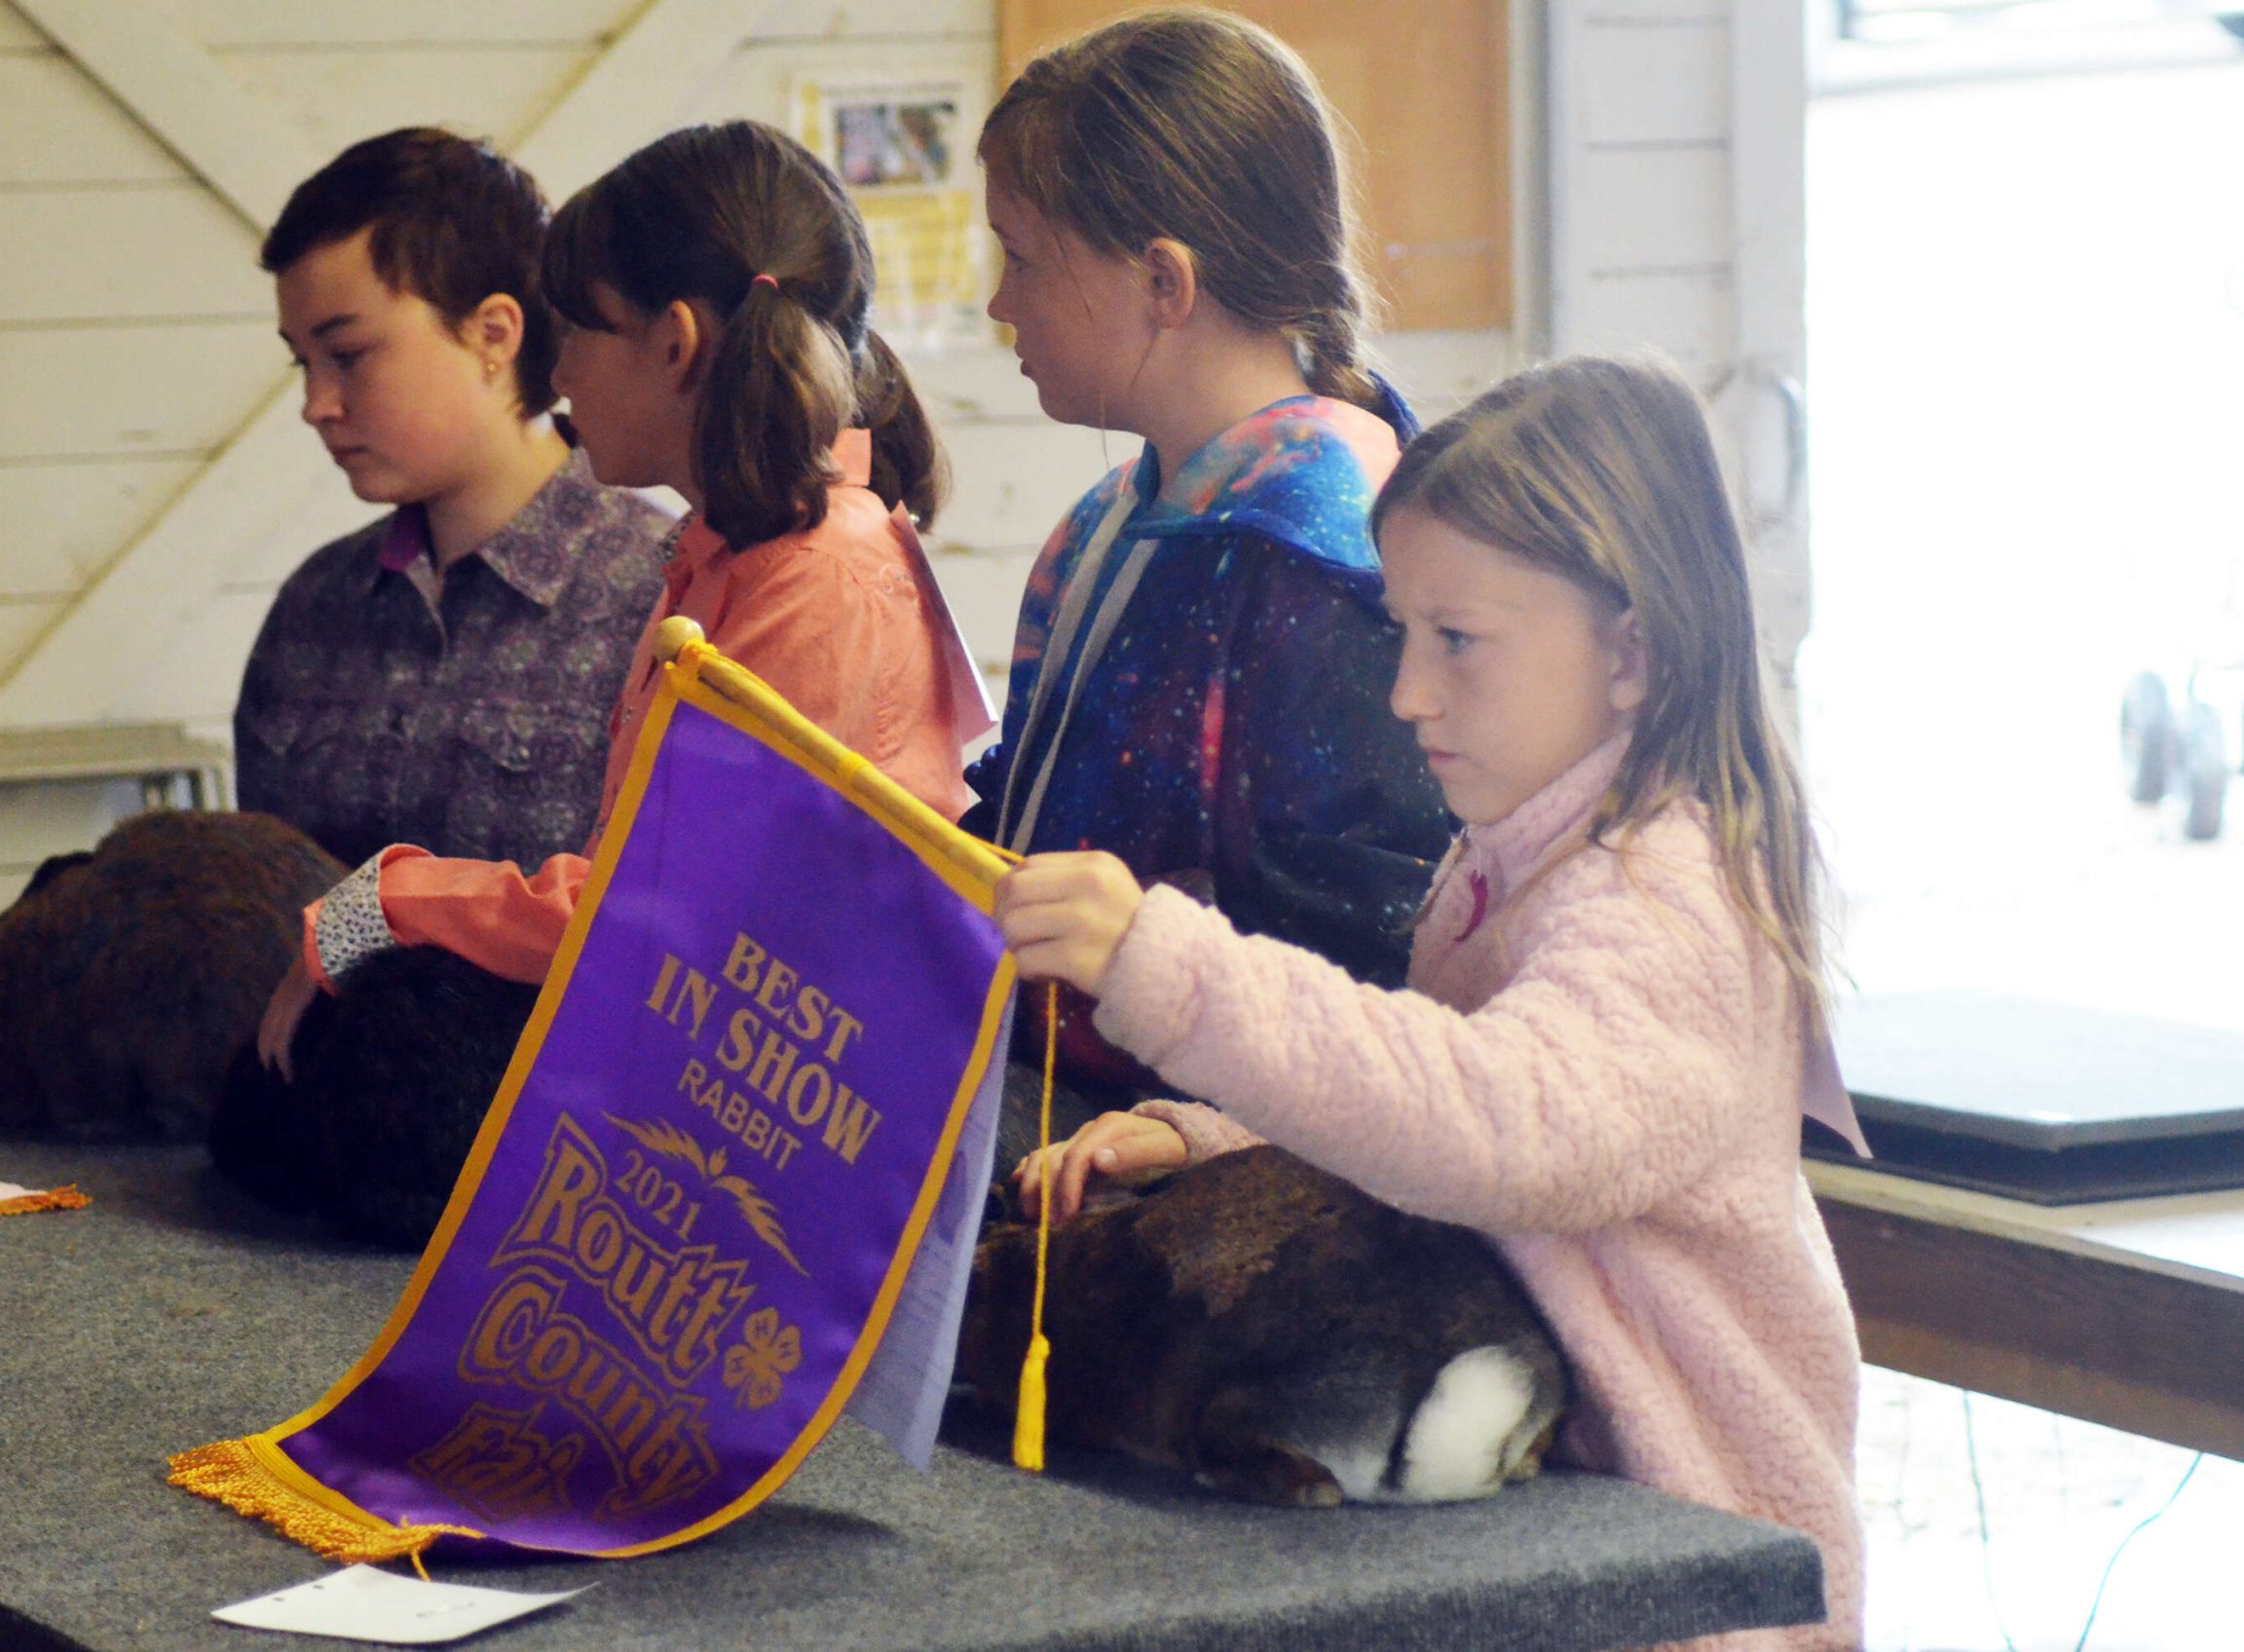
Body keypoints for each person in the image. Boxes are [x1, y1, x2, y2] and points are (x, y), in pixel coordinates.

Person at [997, 354, 1869, 1652]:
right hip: (1550, 1553)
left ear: (1629, 651)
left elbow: (1503, 1129)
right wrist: (1214, 1142)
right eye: (1404, 632)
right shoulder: (1523, 855)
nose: (1408, 691)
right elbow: (1449, 1112)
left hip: (1684, 1589)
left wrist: (1168, 968)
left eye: (1455, 639)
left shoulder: (1667, 898)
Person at [258, 121, 988, 1070]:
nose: (556, 376)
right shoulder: (723, 559)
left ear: (674, 344)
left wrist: (383, 905)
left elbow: (665, 923)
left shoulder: (821, 578)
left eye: (578, 333)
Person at [964, 8, 1457, 1163]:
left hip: (1192, 1149)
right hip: (1053, 1086)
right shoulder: (1113, 518)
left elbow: (1368, 962)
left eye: (1024, 258)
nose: (999, 303)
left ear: (1161, 281)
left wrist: (1197, 1132)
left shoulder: (1326, 553)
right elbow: (1020, 820)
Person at [238, 128, 674, 870]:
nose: (315, 404)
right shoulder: (314, 607)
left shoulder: (664, 599)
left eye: (347, 355)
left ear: (493, 334)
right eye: (302, 362)